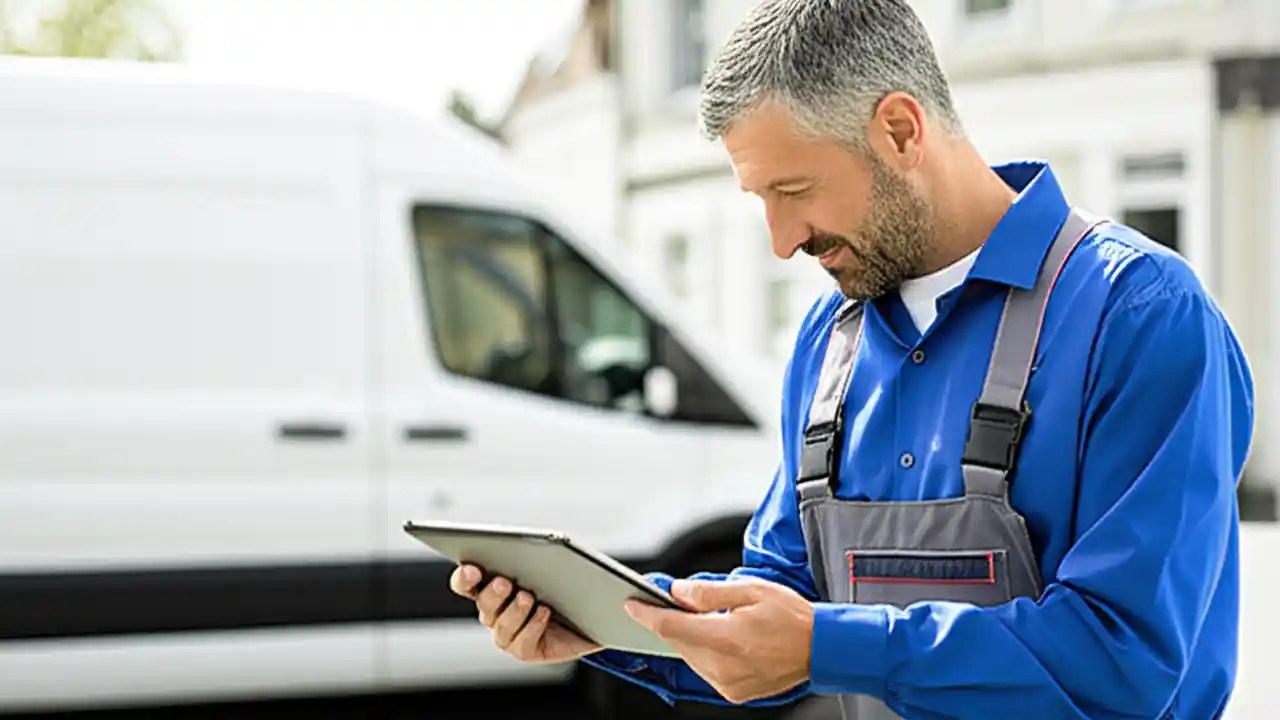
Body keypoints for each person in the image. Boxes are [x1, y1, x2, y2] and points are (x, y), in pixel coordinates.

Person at [448, 0, 1255, 717]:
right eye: (760, 200)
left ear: (900, 131)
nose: (781, 241)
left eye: (793, 191)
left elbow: (1122, 660)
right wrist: (614, 622)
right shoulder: (828, 344)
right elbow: (785, 600)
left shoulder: (1139, 315)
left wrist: (828, 645)